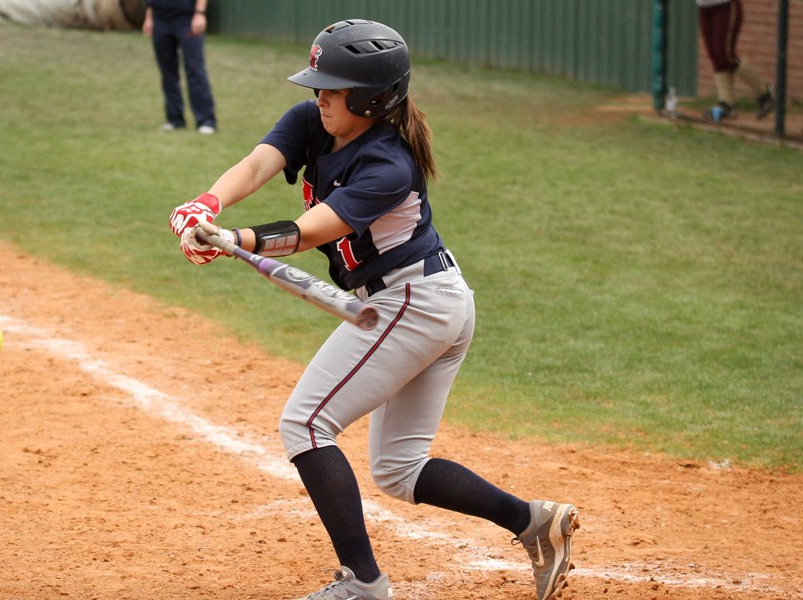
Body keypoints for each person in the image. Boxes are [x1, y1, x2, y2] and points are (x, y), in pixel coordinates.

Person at [168, 19, 579, 600]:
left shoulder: (390, 163)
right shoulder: (313, 121)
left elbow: (314, 231)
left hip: (414, 301)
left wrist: (236, 238)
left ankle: (364, 584)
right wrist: (205, 204)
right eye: (319, 84)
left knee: (306, 425)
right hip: (424, 298)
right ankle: (535, 522)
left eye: (334, 88)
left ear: (372, 98)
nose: (320, 96)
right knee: (399, 469)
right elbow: (259, 163)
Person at [142, 0, 217, 134]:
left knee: (195, 69)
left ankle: (206, 120)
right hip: (160, 18)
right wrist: (149, 18)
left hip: (187, 18)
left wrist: (199, 13)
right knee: (167, 72)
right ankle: (174, 119)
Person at [696, 0, 774, 122]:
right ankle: (726, 104)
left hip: (725, 5)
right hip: (703, 7)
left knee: (725, 57)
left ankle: (764, 93)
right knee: (715, 57)